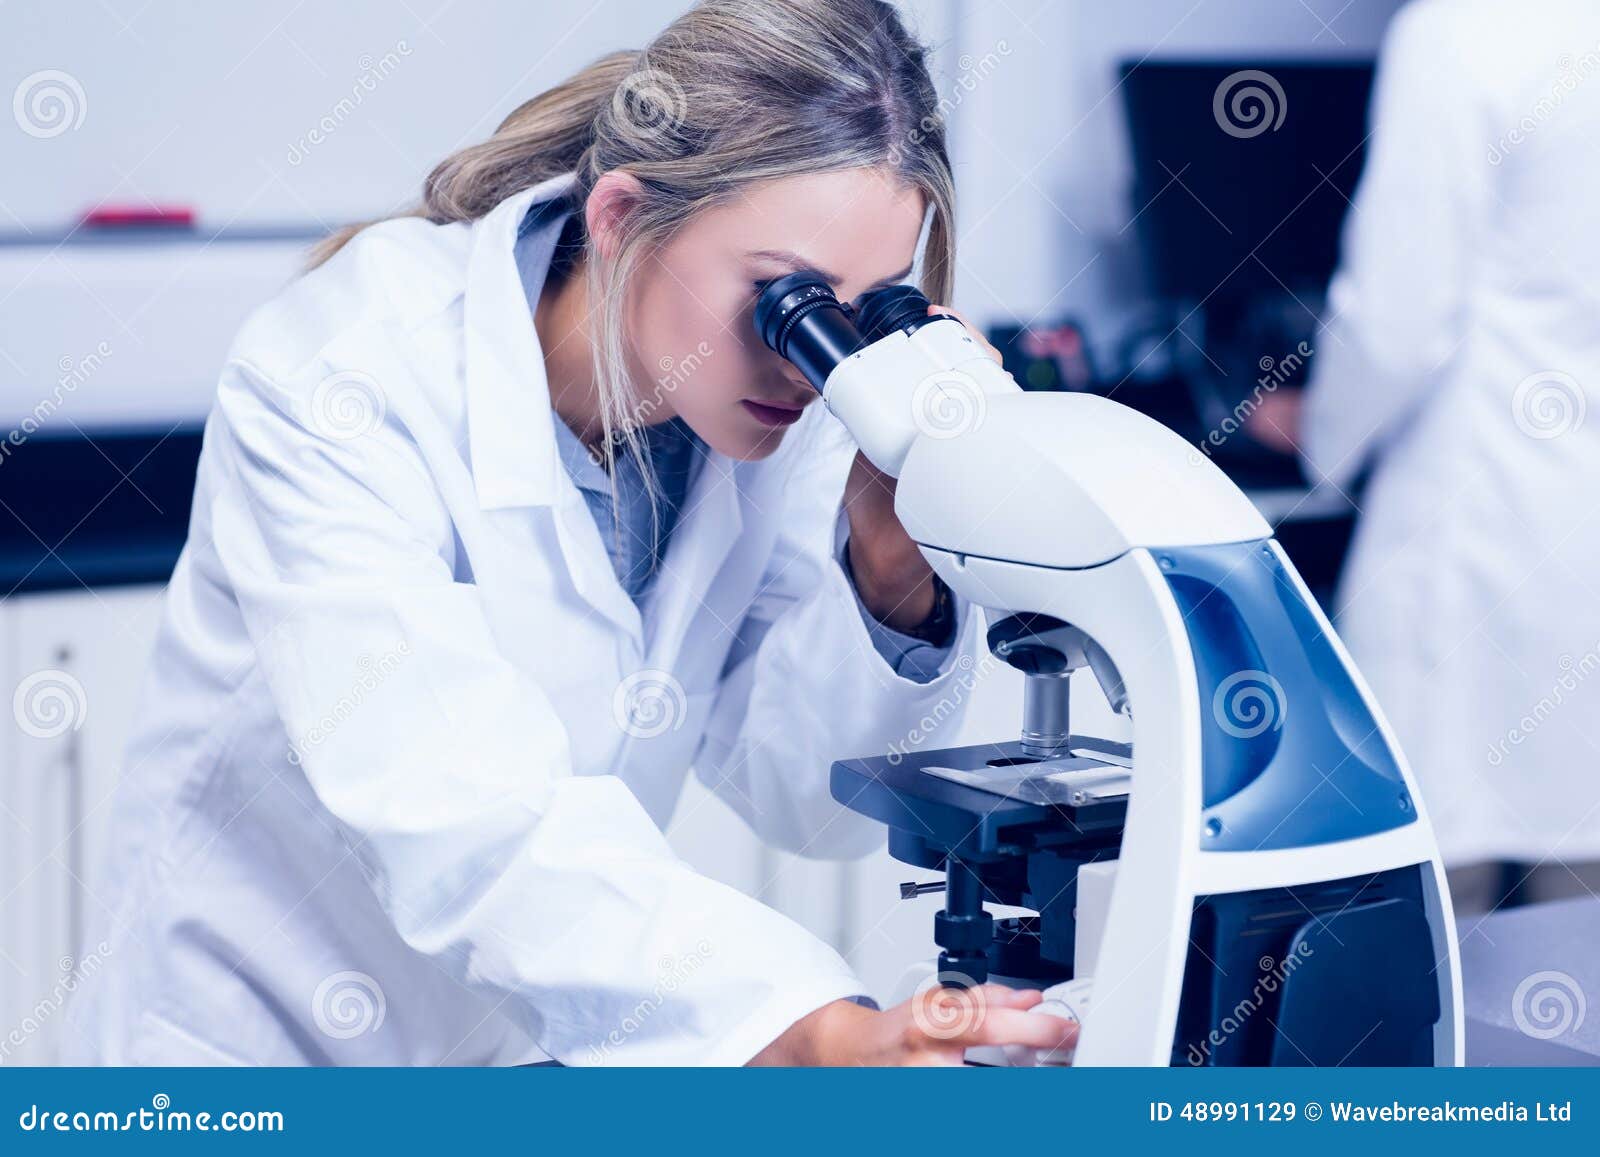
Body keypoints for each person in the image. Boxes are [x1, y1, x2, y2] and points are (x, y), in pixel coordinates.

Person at [65, 0, 1076, 1065]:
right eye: (786, 298)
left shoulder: (761, 419)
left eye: (867, 308)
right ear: (622, 217)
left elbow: (804, 794)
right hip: (251, 1042)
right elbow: (461, 813)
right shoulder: (346, 371)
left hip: (509, 1048)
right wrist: (808, 1032)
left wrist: (890, 569)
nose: (808, 361)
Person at [1249, 0, 1600, 913]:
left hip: (1487, 533)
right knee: (1574, 963)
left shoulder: (1463, 32)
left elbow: (1400, 322)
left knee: (1436, 935)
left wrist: (1321, 432)